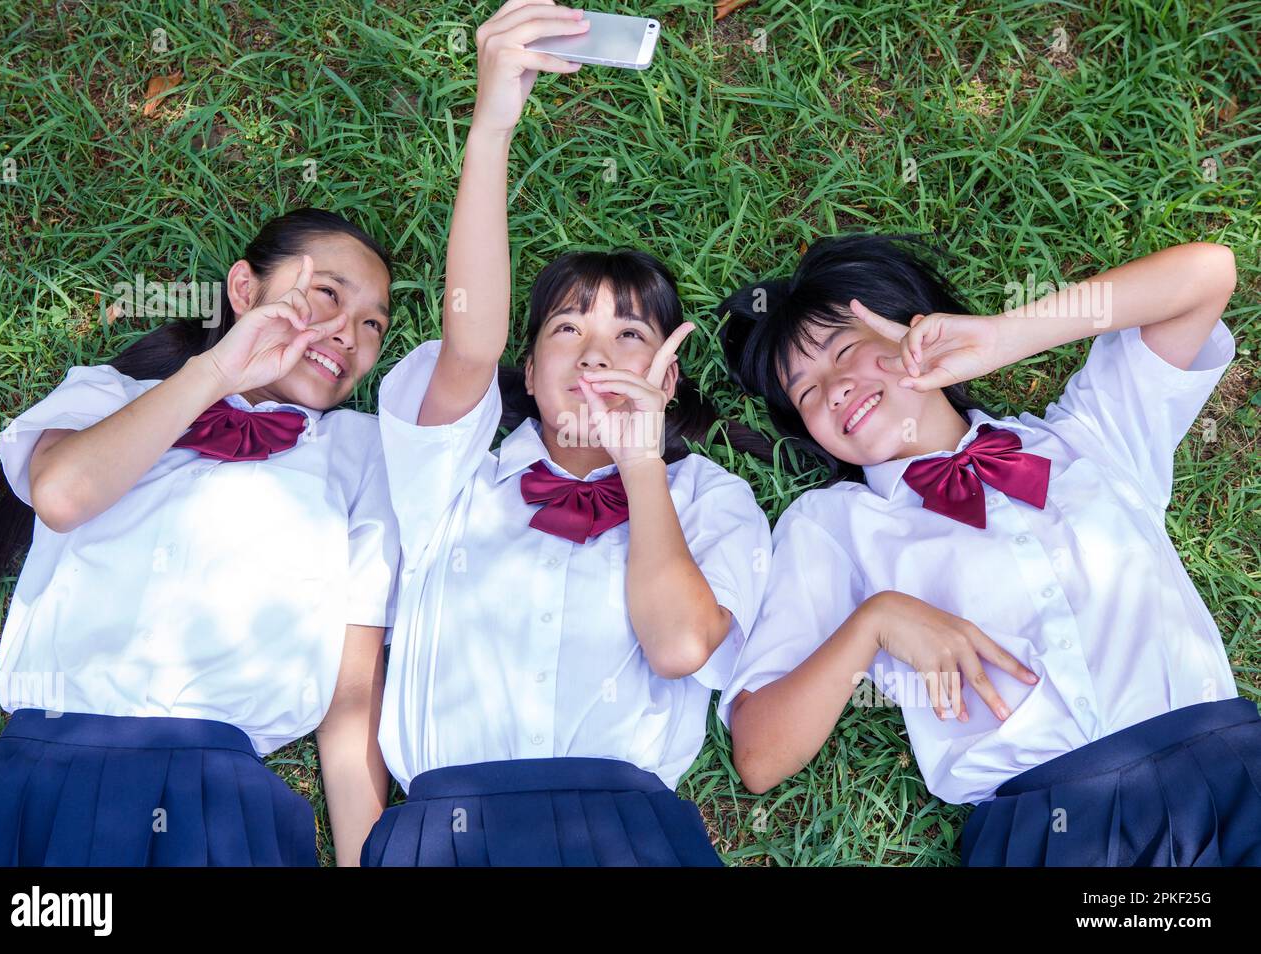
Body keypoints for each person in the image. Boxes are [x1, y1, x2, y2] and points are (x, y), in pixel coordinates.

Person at [362, 0, 772, 866]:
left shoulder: (709, 498)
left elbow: (679, 647)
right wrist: (491, 127)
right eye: (566, 329)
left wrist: (642, 462)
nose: (594, 354)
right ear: (530, 364)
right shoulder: (456, 472)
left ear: (667, 366)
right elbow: (470, 336)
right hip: (447, 828)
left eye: (629, 334)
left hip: (624, 833)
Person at [718, 233, 1257, 865]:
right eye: (806, 393)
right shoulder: (833, 526)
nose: (833, 387)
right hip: (1054, 832)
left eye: (847, 351)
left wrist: (1004, 336)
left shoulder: (1091, 434)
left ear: (915, 330)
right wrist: (876, 621)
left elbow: (1208, 274)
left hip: (1231, 777)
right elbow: (759, 755)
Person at [0, 208, 399, 866]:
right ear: (246, 290)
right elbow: (60, 495)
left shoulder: (363, 454)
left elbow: (352, 694)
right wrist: (218, 374)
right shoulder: (106, 395)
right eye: (328, 295)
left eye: (373, 324)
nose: (348, 334)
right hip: (37, 770)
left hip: (214, 797)